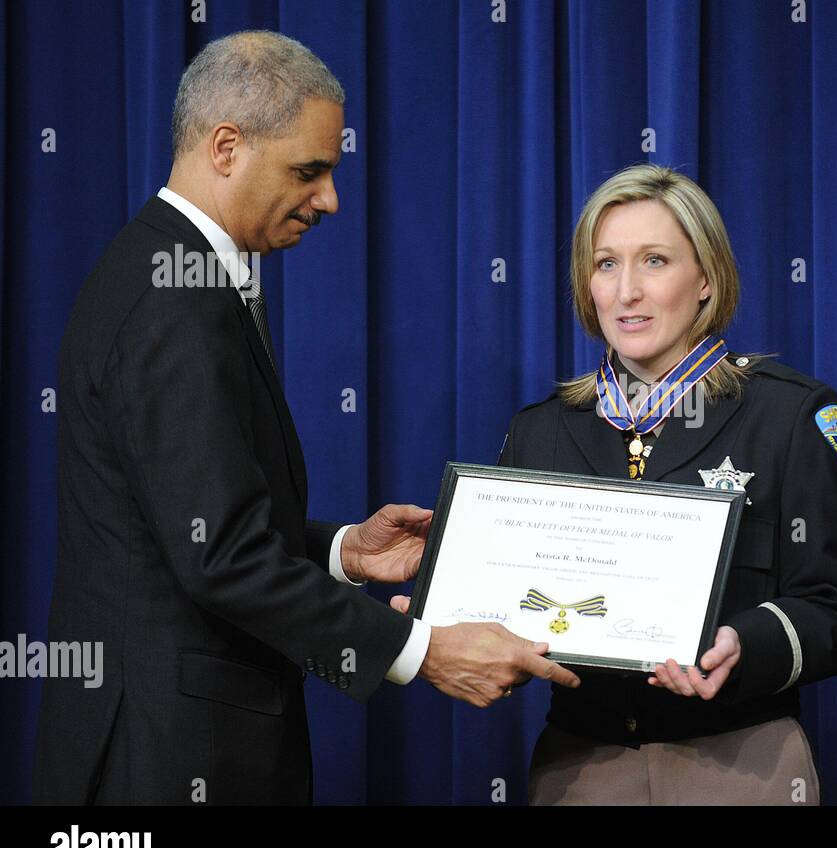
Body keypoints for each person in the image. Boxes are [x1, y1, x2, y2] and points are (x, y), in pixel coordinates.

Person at [33, 30, 577, 806]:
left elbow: (186, 523)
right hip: (165, 757)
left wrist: (345, 551)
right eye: (309, 170)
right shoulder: (173, 301)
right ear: (226, 147)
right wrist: (420, 650)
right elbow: (219, 554)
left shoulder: (172, 270)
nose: (330, 199)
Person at [498, 164, 837, 805]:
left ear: (705, 278)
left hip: (739, 762)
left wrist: (745, 646)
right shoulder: (540, 431)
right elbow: (506, 599)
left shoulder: (789, 416)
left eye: (654, 261)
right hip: (577, 767)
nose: (627, 292)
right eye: (606, 265)